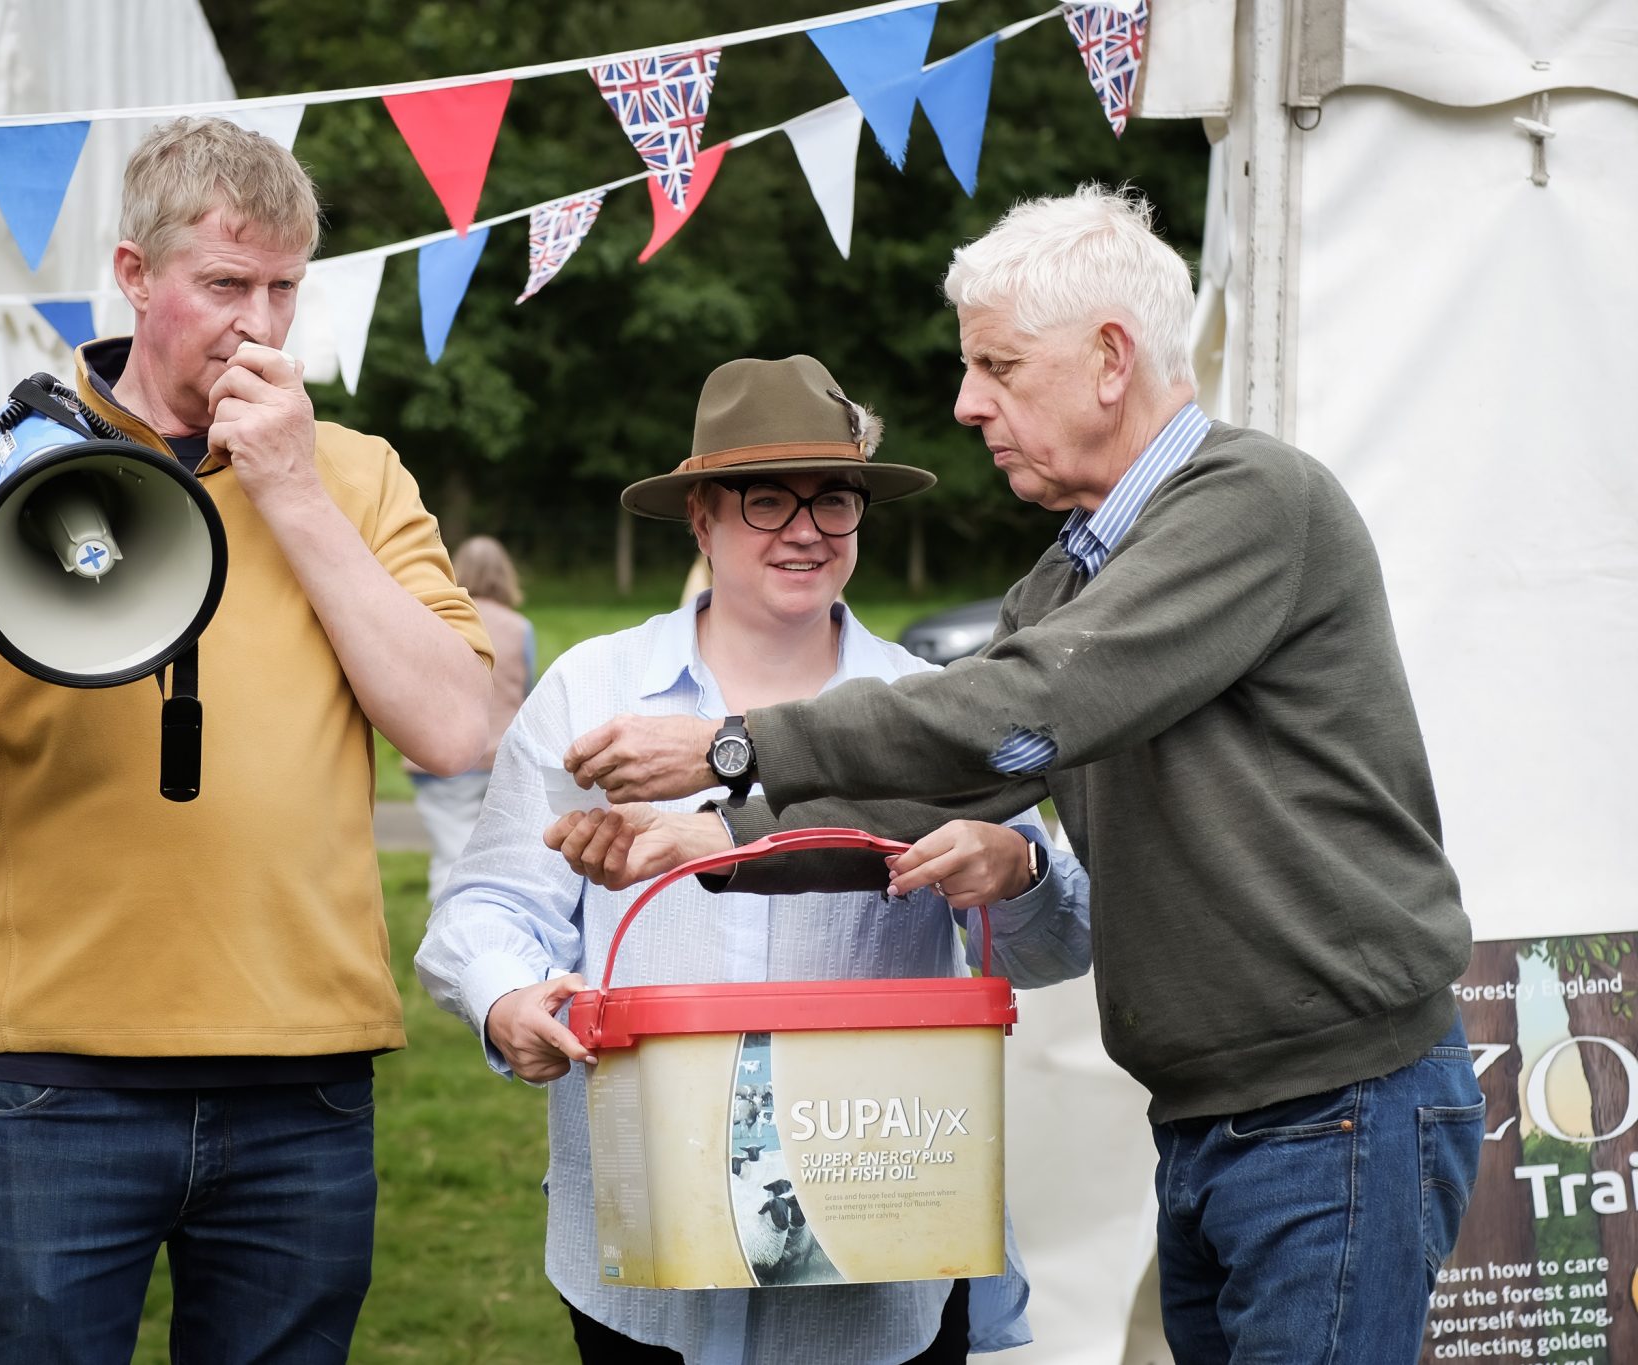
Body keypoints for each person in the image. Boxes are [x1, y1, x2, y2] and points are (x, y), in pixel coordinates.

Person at [550, 187, 1484, 1365]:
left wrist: (738, 743)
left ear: (1108, 358)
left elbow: (1029, 702)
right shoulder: (1071, 576)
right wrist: (712, 835)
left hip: (1334, 1106)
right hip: (1228, 1122)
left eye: (995, 363)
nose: (962, 404)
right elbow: (954, 776)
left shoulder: (1253, 503)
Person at [0, 116, 494, 1362]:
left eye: (285, 289)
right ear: (135, 276)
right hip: (54, 1083)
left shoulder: (352, 476)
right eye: (224, 284)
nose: (259, 324)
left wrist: (293, 492)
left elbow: (458, 730)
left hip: (299, 1074)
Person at [414, 355, 1092, 1364]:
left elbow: (1050, 947)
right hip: (643, 1252)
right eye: (766, 501)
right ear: (701, 519)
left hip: (878, 1248)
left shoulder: (927, 705)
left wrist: (1017, 872)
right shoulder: (594, 692)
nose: (806, 530)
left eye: (833, 499)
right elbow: (490, 906)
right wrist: (508, 998)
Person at [406, 535, 536, 894]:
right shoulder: (519, 628)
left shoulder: (434, 621)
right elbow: (527, 691)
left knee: (450, 854)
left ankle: (446, 934)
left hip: (439, 756)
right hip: (499, 759)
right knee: (496, 854)